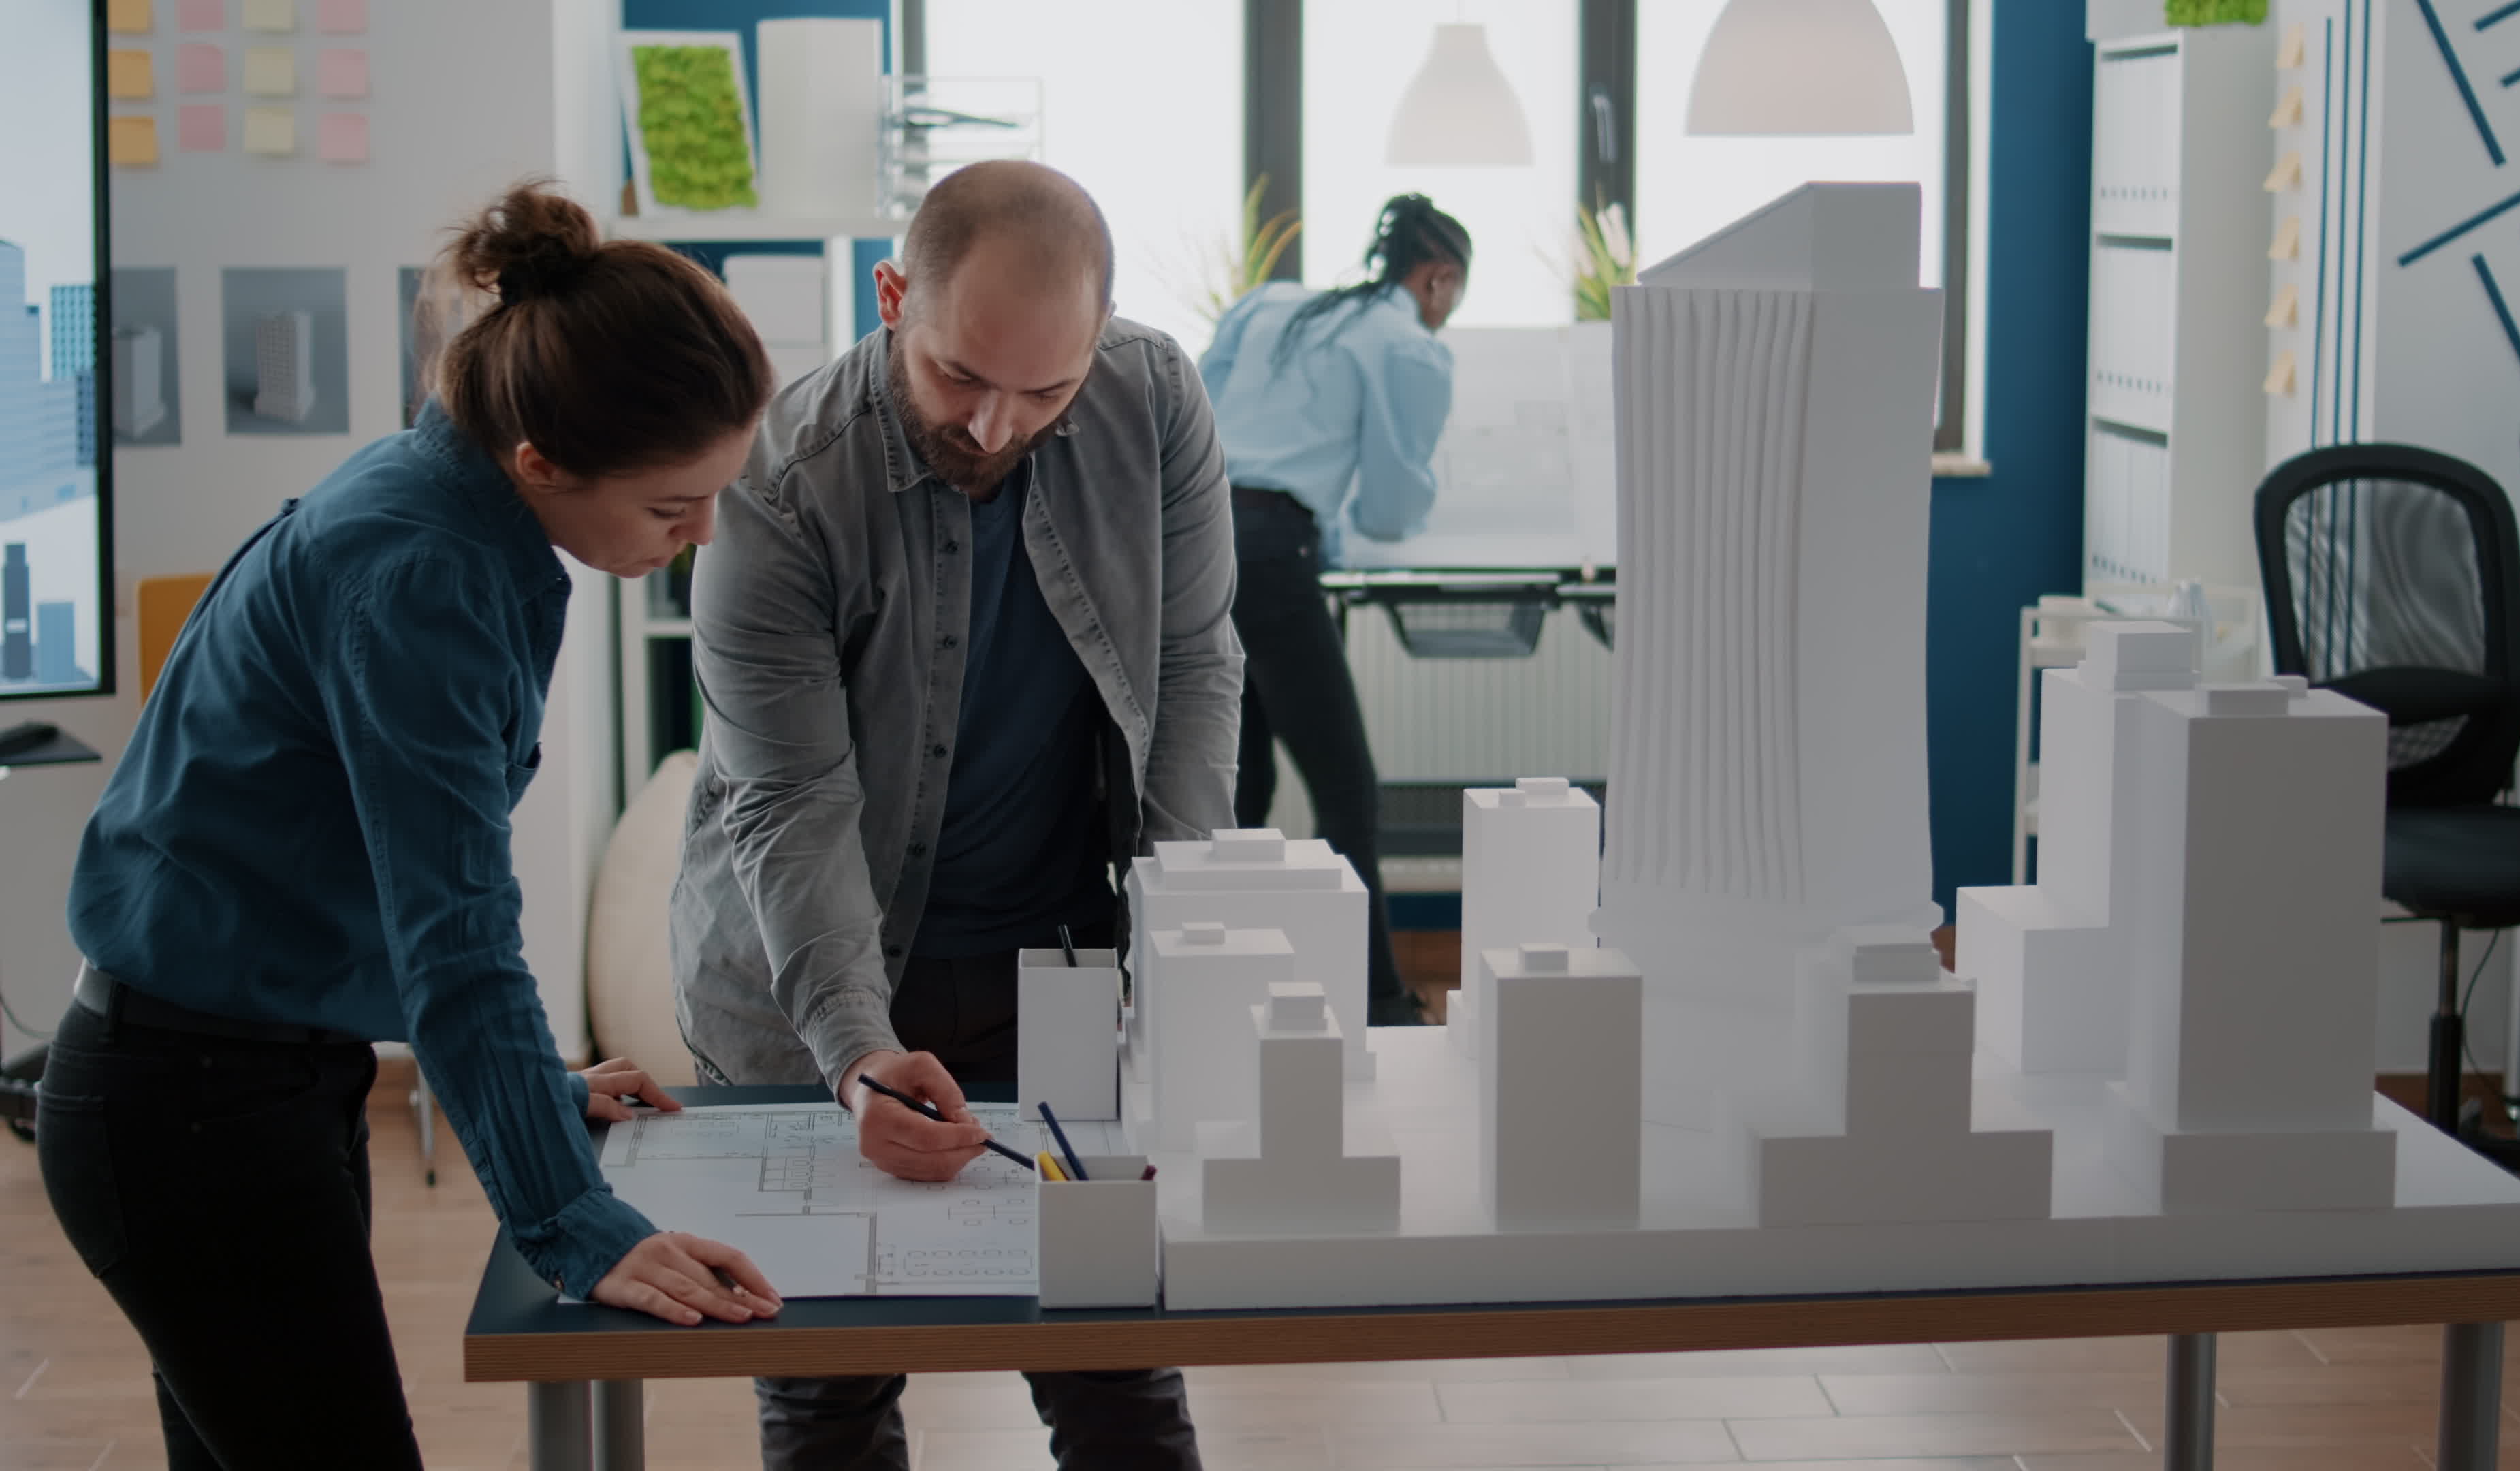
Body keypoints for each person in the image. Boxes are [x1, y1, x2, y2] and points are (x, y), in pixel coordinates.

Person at [38, 183, 786, 1468]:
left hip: (245, 1079)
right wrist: (576, 1218)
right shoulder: (420, 571)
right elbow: (455, 938)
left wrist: (529, 1098)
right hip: (188, 1111)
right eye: (672, 507)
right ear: (542, 463)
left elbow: (337, 868)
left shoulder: (455, 498)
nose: (703, 532)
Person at [671, 160, 1236, 1469]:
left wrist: (1180, 938)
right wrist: (858, 1050)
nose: (993, 428)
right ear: (890, 301)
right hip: (802, 980)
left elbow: (1198, 668)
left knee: (1115, 1364)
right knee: (828, 1388)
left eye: (1045, 391)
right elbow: (789, 798)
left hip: (1056, 967)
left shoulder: (1154, 402)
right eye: (959, 378)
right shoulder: (775, 480)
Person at [1197, 193, 1472, 1028]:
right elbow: (1392, 506)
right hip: (1277, 560)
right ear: (1439, 279)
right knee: (1348, 789)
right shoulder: (1406, 346)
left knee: (1240, 788)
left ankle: (1215, 993)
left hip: (1197, 547)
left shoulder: (1271, 305)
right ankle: (1381, 1005)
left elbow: (1195, 413)